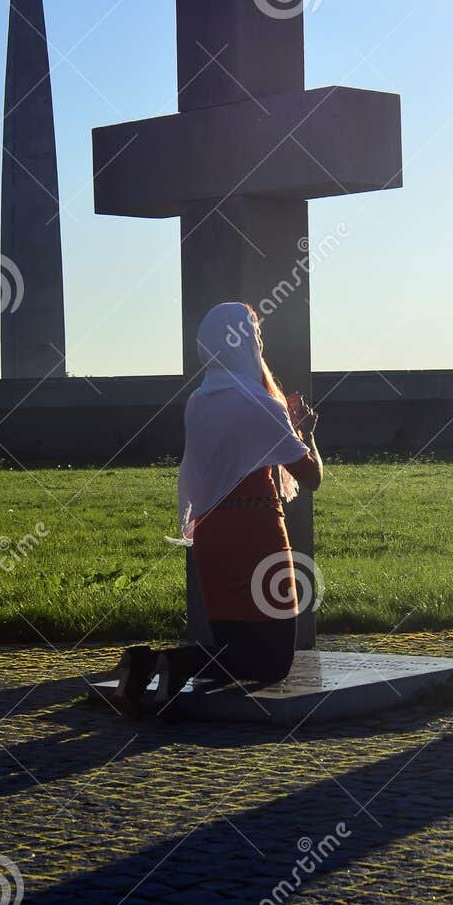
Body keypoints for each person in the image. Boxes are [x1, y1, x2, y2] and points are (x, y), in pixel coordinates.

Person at [113, 301, 323, 716]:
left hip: (212, 536)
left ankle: (147, 663)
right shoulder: (262, 404)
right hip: (258, 534)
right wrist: (305, 433)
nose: (261, 344)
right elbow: (310, 476)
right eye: (257, 336)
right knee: (275, 663)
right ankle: (171, 662)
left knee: (233, 648)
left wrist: (285, 429)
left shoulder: (199, 401)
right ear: (248, 344)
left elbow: (230, 457)